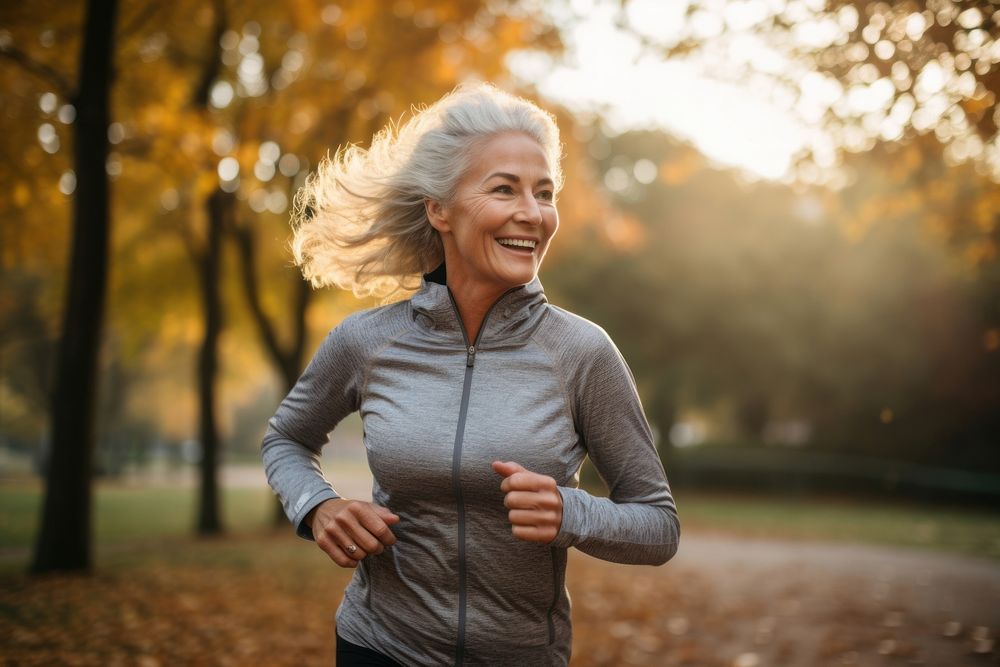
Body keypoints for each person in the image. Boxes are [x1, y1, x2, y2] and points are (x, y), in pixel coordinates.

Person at [261, 81, 680, 666]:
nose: (531, 213)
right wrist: (317, 506)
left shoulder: (581, 352)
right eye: (504, 189)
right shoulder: (368, 341)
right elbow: (286, 438)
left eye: (544, 192)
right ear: (439, 209)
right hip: (379, 647)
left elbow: (658, 526)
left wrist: (571, 513)